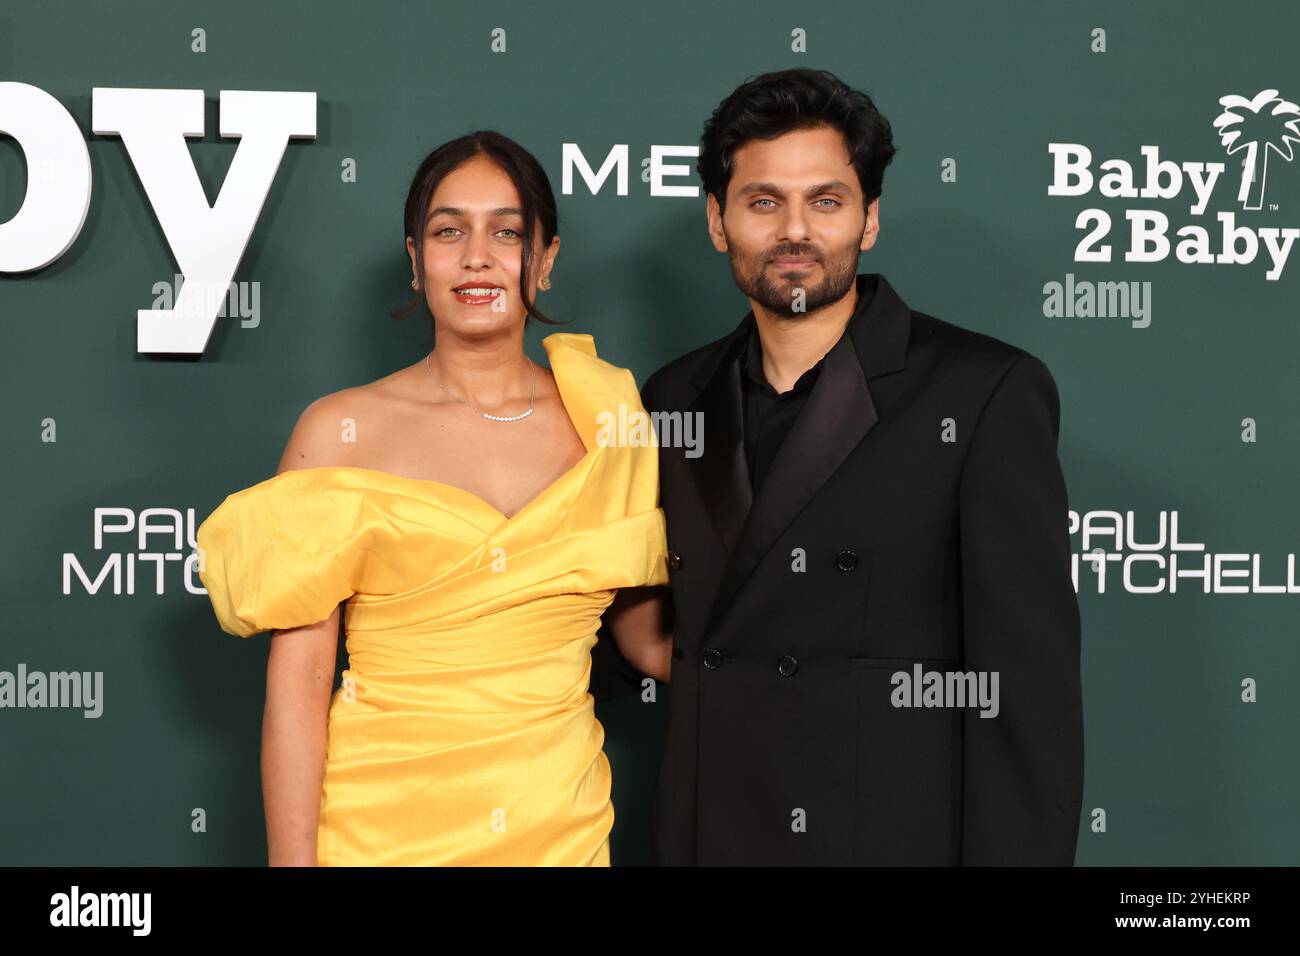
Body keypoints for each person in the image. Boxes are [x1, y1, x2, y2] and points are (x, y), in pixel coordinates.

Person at [600, 68, 1085, 865]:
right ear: (718, 221)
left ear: (869, 220)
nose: (796, 231)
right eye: (763, 202)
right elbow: (659, 621)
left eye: (826, 201)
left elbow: (1024, 702)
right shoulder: (672, 395)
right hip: (708, 833)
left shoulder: (983, 391)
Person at [195, 131, 669, 866]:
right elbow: (299, 686)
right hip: (378, 835)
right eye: (449, 231)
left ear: (544, 259)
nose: (477, 256)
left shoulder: (611, 420)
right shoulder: (337, 432)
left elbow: (646, 641)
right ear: (417, 261)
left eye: (506, 232)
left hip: (561, 835)